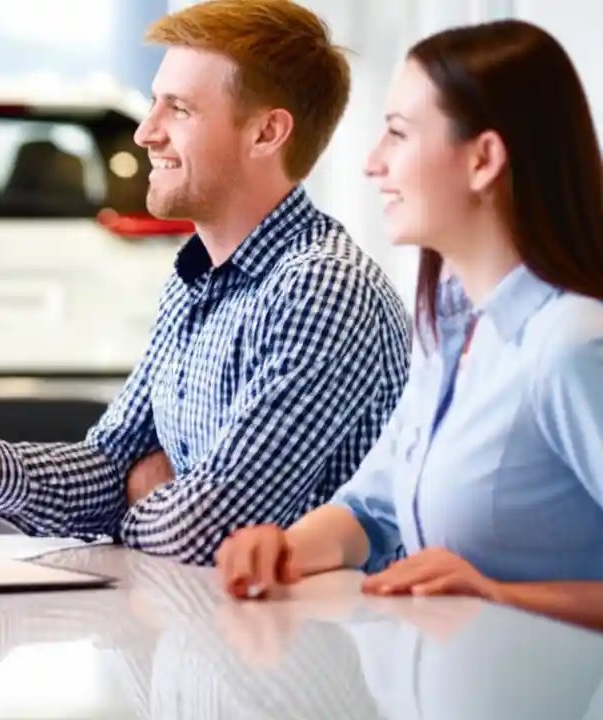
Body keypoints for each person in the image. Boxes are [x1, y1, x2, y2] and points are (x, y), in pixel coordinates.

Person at [0, 0, 411, 562]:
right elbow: (109, 465)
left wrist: (138, 499)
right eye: (153, 104)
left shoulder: (323, 288)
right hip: (208, 630)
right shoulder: (197, 280)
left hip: (309, 641)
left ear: (266, 132)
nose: (145, 132)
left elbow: (213, 526)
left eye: (180, 109)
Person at [214, 19, 603, 632]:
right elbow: (370, 511)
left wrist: (498, 595)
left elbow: (473, 588)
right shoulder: (450, 335)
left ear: (483, 160)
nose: (373, 163)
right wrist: (284, 550)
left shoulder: (570, 344)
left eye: (397, 134)